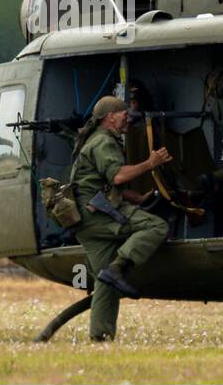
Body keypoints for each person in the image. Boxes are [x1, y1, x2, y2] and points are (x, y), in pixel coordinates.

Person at [70, 94, 172, 341]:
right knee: (156, 227)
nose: (128, 117)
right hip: (96, 215)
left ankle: (100, 337)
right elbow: (116, 176)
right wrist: (151, 163)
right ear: (110, 117)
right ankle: (119, 267)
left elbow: (102, 182)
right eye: (123, 113)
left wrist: (135, 198)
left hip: (83, 220)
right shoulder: (104, 141)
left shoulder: (94, 140)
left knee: (104, 280)